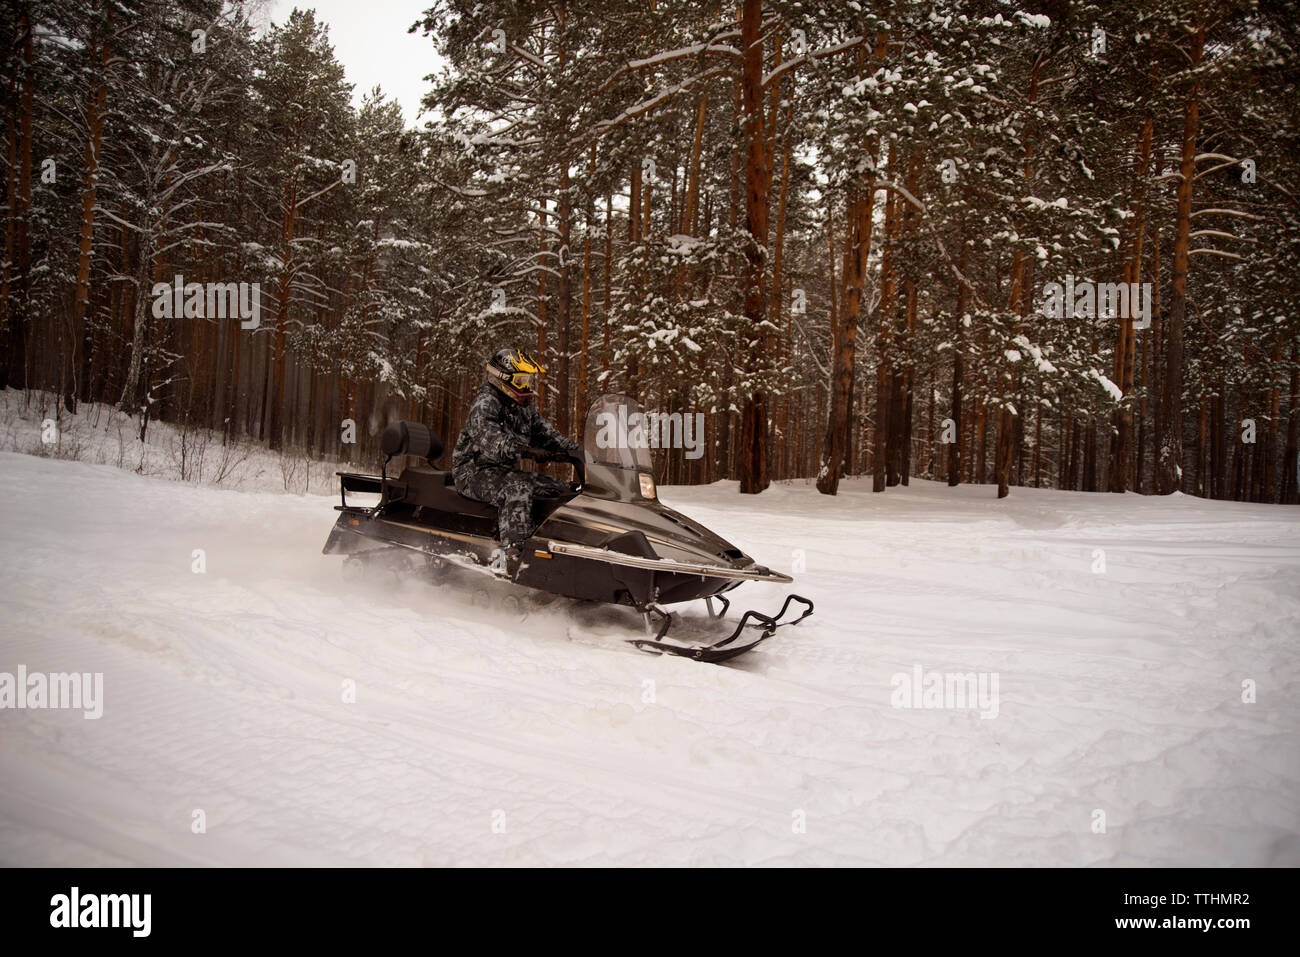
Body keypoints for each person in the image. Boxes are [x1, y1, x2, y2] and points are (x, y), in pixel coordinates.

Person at [452, 348, 582, 565]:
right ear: (503, 378)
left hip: (502, 472)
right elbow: (491, 440)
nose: (526, 385)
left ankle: (559, 547)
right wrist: (526, 450)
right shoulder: (485, 403)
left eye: (527, 380)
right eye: (521, 380)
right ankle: (515, 556)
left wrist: (576, 452)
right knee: (517, 488)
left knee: (562, 489)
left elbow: (546, 433)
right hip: (472, 472)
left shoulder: (522, 408)